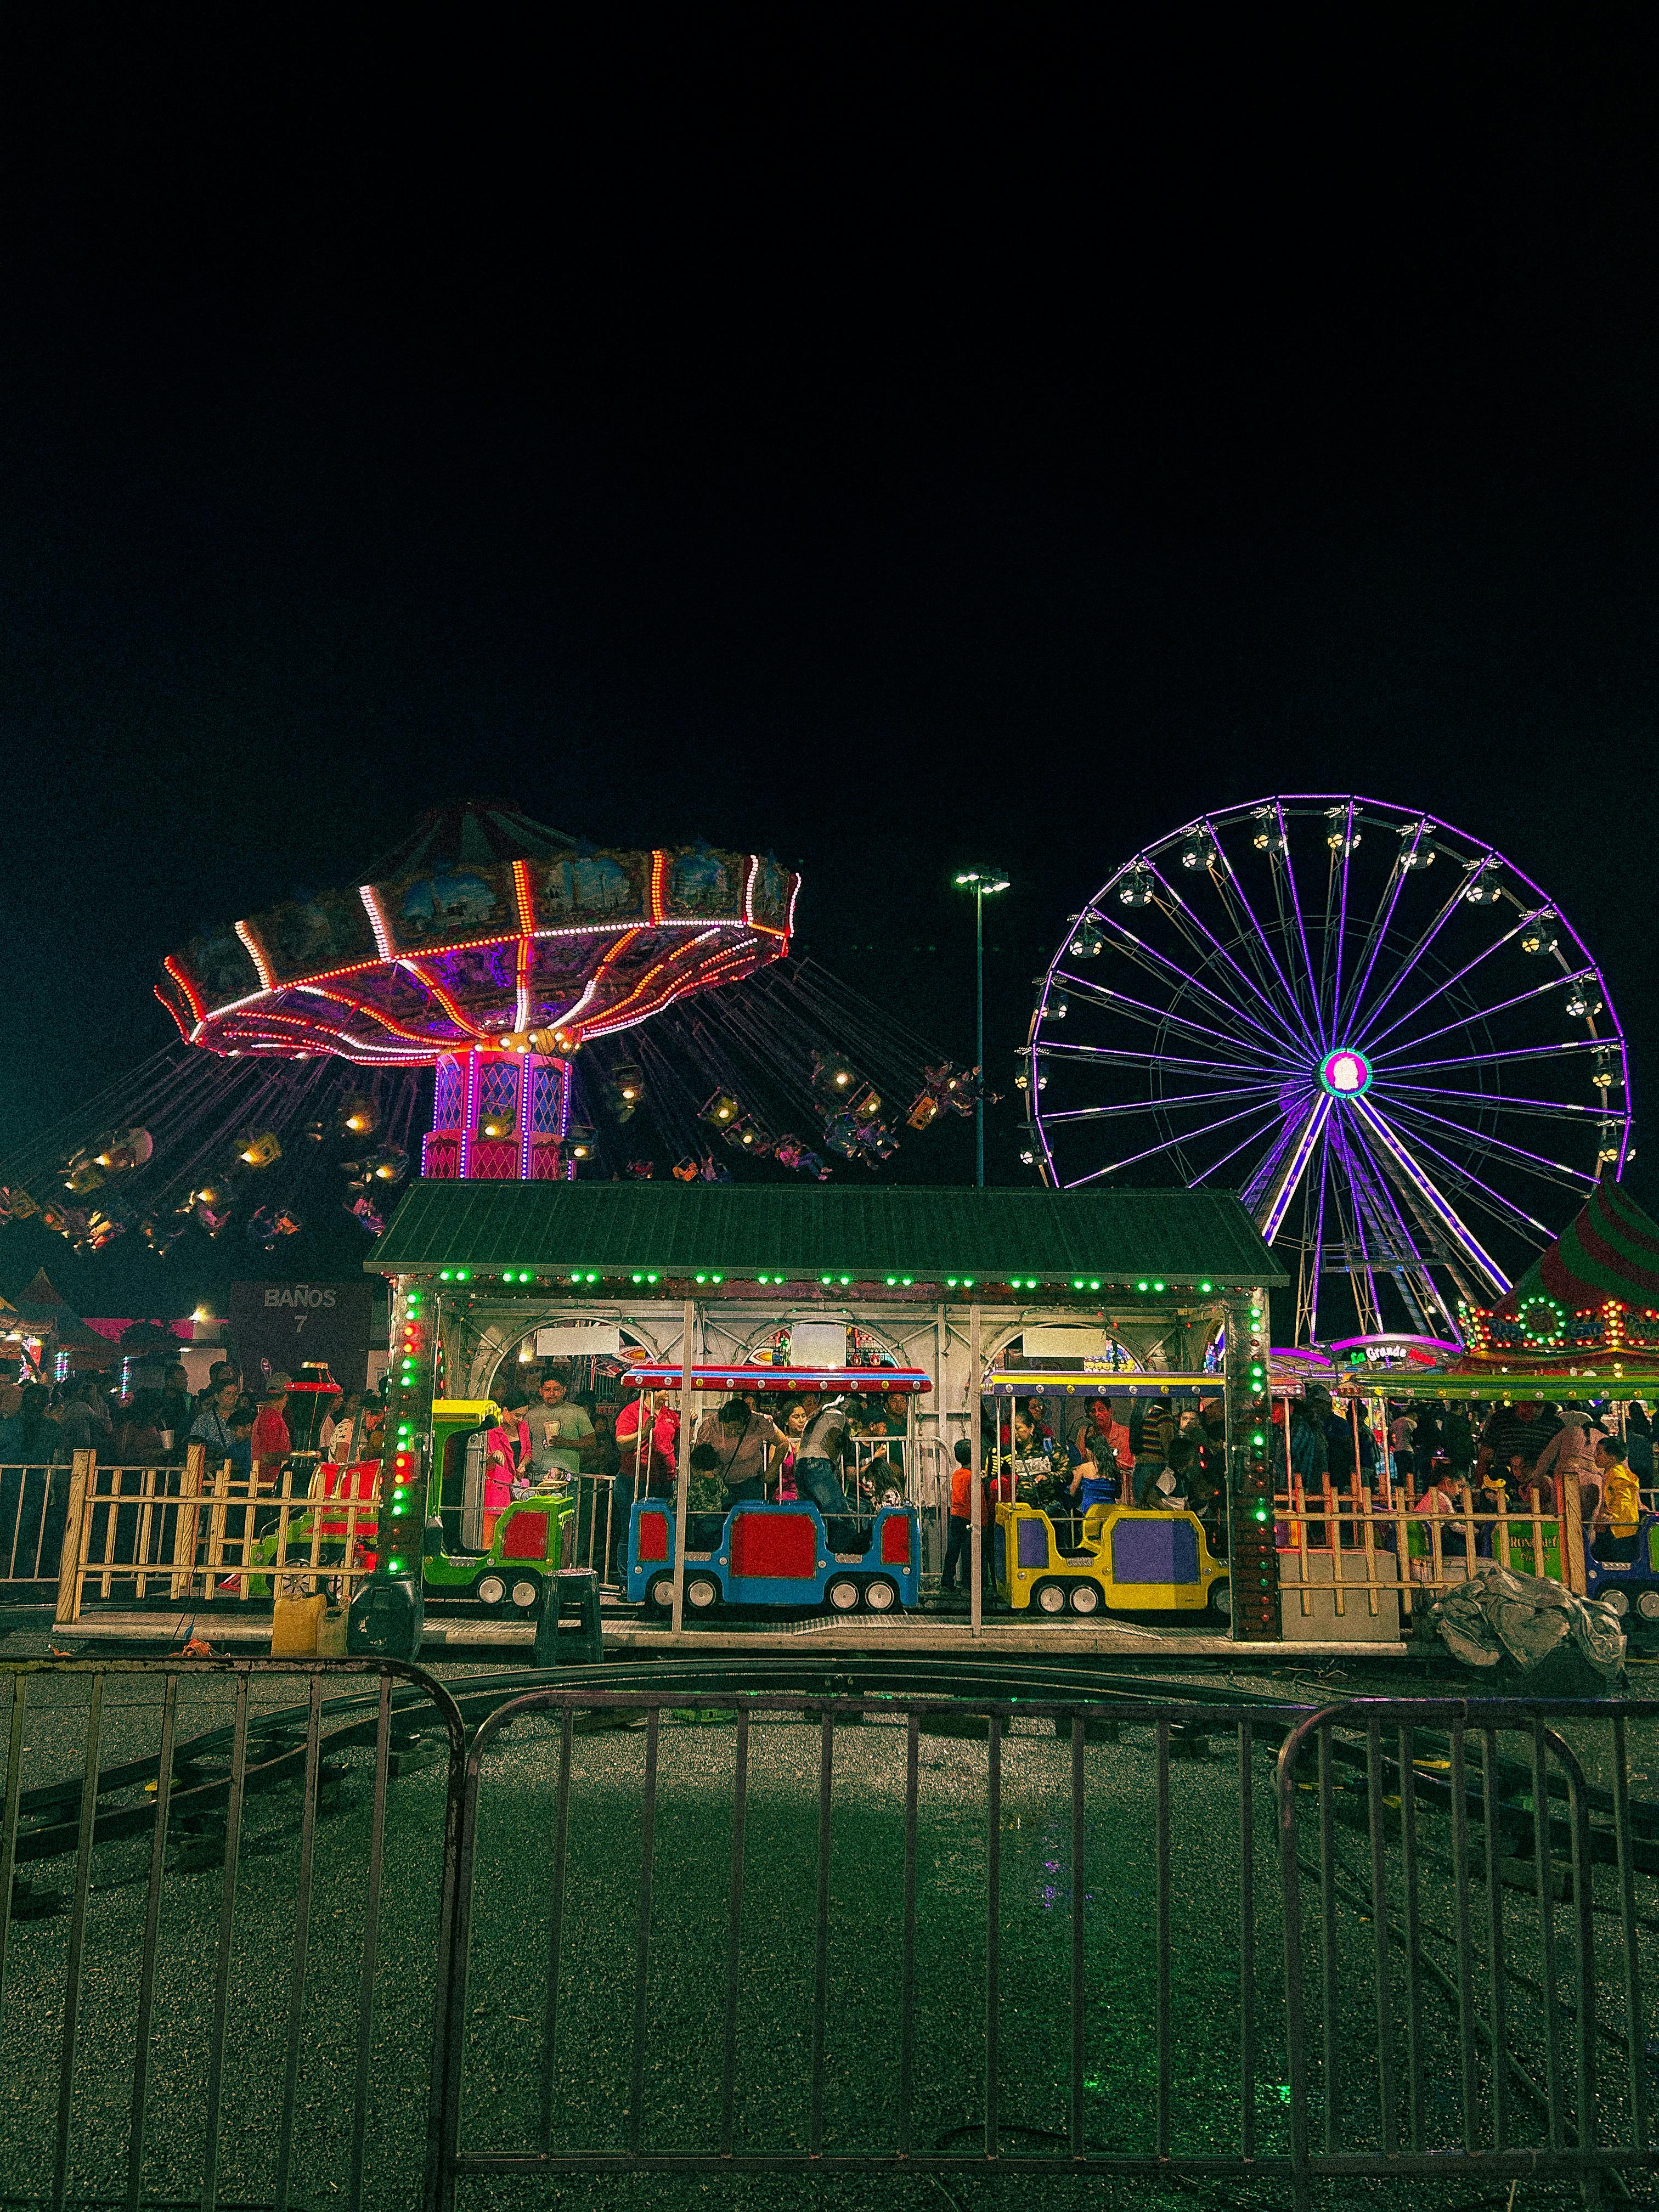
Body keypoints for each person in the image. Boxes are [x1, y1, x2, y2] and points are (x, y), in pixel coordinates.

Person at [691, 1397, 791, 1505]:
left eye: (738, 1429)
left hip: (751, 1484)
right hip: (719, 1482)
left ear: (747, 1422)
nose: (733, 1432)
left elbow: (783, 1443)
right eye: (730, 1429)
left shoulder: (760, 1422)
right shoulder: (710, 1426)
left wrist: (772, 1470)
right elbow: (698, 1458)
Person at [793, 1395, 858, 1517]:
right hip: (818, 1466)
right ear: (851, 1417)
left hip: (801, 1467)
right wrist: (833, 1468)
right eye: (853, 1422)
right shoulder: (838, 1417)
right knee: (841, 1517)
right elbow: (831, 1441)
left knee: (812, 1515)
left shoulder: (821, 1413)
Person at [529, 1372, 595, 1485]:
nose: (552, 1394)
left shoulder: (577, 1412)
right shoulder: (532, 1415)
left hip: (567, 1478)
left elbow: (591, 1441)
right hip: (538, 1477)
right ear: (541, 1391)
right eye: (547, 1390)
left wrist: (567, 1443)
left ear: (564, 1390)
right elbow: (525, 1445)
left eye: (556, 1389)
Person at [1476, 1401, 1561, 1484]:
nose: (1533, 1410)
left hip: (1542, 1485)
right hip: (1504, 1483)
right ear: (1518, 1402)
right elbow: (1486, 1456)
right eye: (1527, 1406)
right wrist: (1480, 1484)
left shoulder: (1556, 1424)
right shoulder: (1501, 1419)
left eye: (1538, 1406)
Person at [1593, 1434, 1644, 1561]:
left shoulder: (1616, 1474)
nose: (1595, 1456)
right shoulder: (1613, 1473)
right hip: (1620, 1527)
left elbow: (1623, 1497)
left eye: (1599, 1453)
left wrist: (1611, 1514)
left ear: (1612, 1457)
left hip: (1619, 1529)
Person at [939, 1438, 974, 1598]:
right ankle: (968, 1586)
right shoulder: (971, 1477)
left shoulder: (957, 1475)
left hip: (956, 1516)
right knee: (968, 1554)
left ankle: (946, 1583)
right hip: (969, 1518)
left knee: (952, 1552)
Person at [190, 1377, 245, 1471]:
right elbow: (194, 1447)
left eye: (235, 1394)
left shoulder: (243, 1417)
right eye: (228, 1394)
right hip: (213, 1470)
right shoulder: (204, 1420)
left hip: (240, 1468)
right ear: (217, 1397)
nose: (232, 1397)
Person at [1130, 1398, 1175, 1507]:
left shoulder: (1146, 1415)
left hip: (1140, 1464)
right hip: (1156, 1465)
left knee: (1140, 1505)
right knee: (1152, 1504)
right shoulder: (1163, 1416)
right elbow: (1167, 1442)